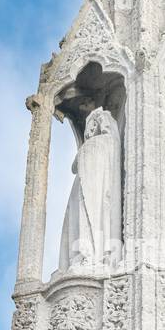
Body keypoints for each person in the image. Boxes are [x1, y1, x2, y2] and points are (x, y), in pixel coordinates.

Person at [59, 108, 122, 271]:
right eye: (90, 125)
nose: (92, 128)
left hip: (97, 187)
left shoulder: (108, 141)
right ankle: (80, 254)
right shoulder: (89, 145)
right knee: (78, 216)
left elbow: (110, 170)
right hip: (81, 184)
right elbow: (74, 166)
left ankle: (93, 253)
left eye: (96, 123)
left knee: (94, 214)